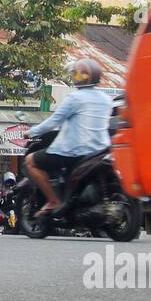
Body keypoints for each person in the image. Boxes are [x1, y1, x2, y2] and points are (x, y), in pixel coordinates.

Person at [23, 59, 112, 218]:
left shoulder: (74, 98)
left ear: (78, 76)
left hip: (72, 152)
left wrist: (31, 132)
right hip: (99, 150)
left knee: (30, 161)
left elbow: (54, 121)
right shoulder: (106, 99)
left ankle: (53, 201)